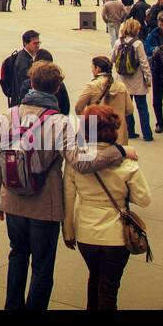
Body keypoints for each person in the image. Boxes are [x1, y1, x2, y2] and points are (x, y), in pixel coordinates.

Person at [0, 61, 128, 311]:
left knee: (17, 255)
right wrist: (118, 151)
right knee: (42, 266)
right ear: (56, 89)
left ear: (31, 84)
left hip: (12, 199)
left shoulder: (7, 115)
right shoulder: (60, 123)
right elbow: (81, 162)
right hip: (45, 204)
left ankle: (12, 307)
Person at [62, 105, 151, 310]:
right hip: (115, 235)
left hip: (86, 232)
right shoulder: (127, 163)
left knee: (94, 277)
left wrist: (68, 231)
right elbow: (144, 199)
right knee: (109, 288)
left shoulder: (76, 162)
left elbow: (68, 197)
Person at [74, 56, 133, 145]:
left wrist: (87, 120)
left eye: (92, 67)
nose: (92, 70)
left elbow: (78, 108)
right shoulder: (121, 86)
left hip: (98, 133)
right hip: (118, 133)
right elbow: (129, 110)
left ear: (97, 68)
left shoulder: (92, 86)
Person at [112, 20, 154, 141]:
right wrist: (148, 78)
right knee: (142, 107)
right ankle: (147, 134)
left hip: (123, 80)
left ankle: (130, 131)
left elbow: (112, 58)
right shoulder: (138, 44)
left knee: (127, 108)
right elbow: (144, 62)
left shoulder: (118, 42)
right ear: (135, 30)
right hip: (137, 80)